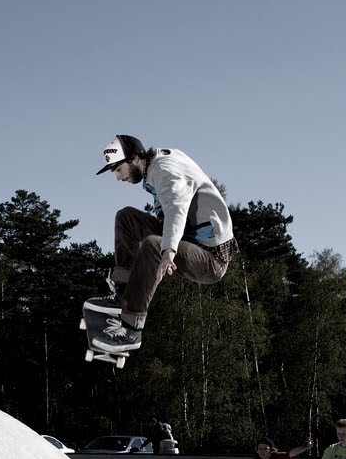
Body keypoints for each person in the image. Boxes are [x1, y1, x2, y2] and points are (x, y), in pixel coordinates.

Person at [86, 135, 238, 354]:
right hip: (190, 237)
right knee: (126, 218)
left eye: (118, 170)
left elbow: (177, 209)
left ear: (134, 158)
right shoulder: (155, 163)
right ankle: (122, 292)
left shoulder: (164, 171)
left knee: (153, 245)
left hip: (209, 258)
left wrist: (168, 251)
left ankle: (131, 329)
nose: (118, 178)